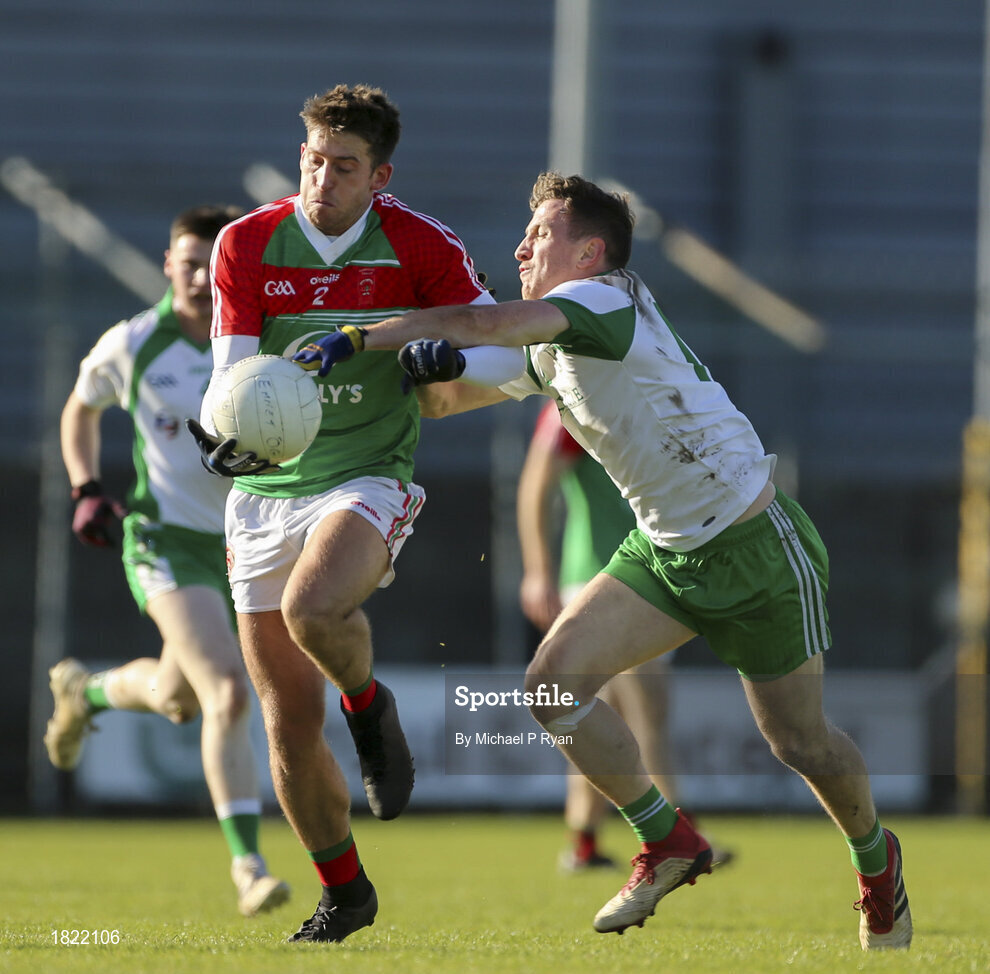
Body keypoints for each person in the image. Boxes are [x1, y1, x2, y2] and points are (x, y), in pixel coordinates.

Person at [293, 171, 913, 951]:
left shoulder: (605, 298)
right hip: (663, 554)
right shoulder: (557, 335)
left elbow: (478, 325)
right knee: (551, 686)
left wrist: (357, 334)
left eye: (541, 233)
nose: (520, 245)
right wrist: (425, 372)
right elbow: (460, 388)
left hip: (754, 546)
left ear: (589, 252)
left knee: (801, 745)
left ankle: (875, 860)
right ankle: (667, 840)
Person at [186, 84, 494, 944]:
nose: (323, 178)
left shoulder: (422, 244)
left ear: (379, 175)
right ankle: (346, 892)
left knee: (314, 607)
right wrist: (223, 433)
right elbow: (233, 373)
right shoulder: (247, 242)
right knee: (285, 724)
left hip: (368, 474)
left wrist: (444, 352)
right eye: (313, 160)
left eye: (344, 165)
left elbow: (485, 332)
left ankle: (369, 707)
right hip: (264, 495)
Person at [48, 204, 291, 918]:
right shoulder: (136, 342)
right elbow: (80, 407)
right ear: (167, 265)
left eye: (207, 264)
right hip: (165, 540)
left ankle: (86, 694)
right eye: (184, 262)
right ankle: (249, 866)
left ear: (227, 272)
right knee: (227, 693)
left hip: (249, 542)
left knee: (180, 701)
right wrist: (87, 487)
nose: (195, 276)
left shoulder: (261, 342)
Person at [518, 400, 679, 873]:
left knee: (598, 716)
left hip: (642, 576)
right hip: (599, 577)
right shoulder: (575, 399)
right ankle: (681, 829)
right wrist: (537, 571)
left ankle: (585, 840)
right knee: (646, 707)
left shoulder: (647, 392)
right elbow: (534, 484)